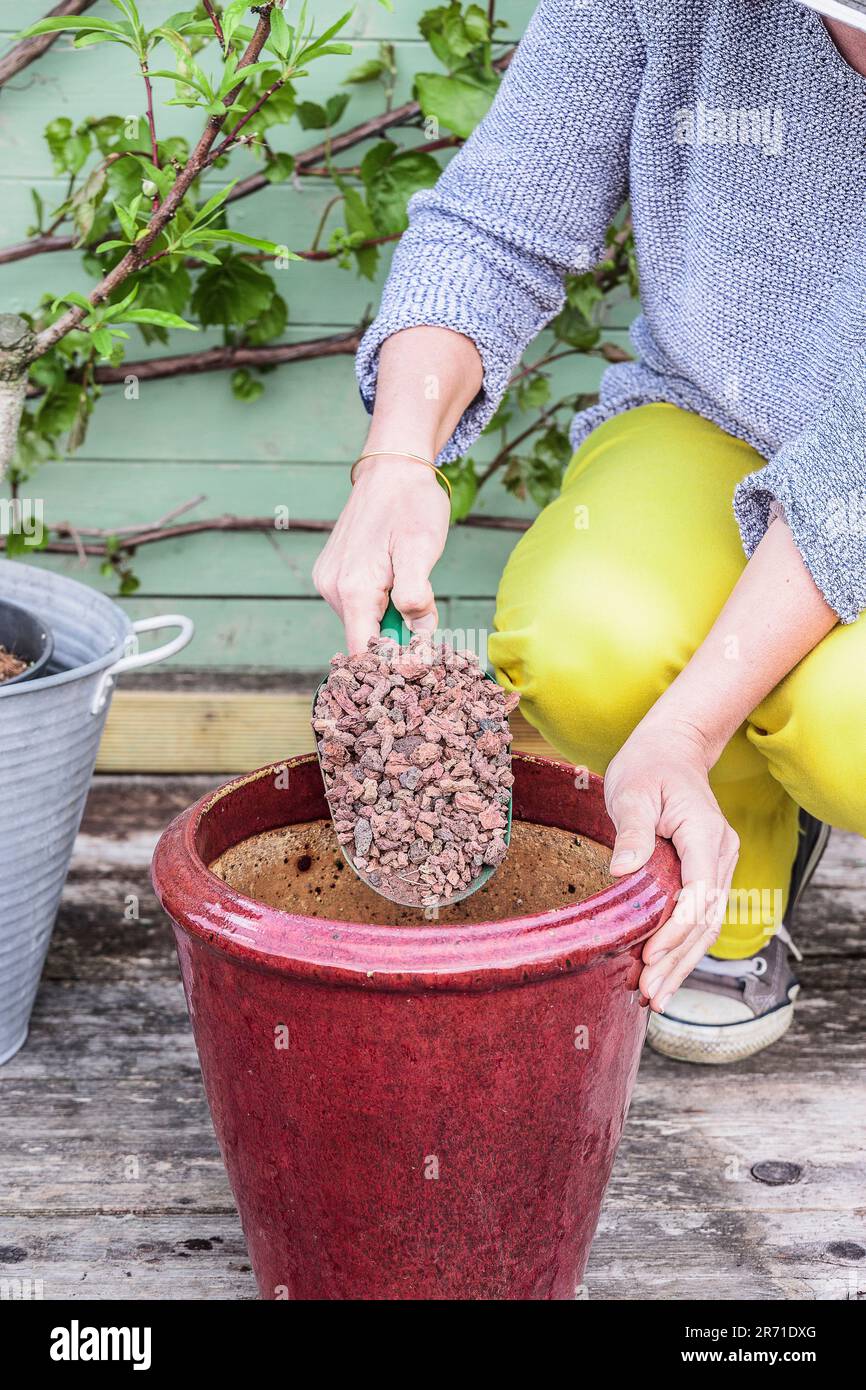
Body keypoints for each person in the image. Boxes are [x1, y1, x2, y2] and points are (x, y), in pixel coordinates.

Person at [313, 0, 866, 1063]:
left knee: (844, 723)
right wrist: (395, 458)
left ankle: (730, 759)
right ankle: (740, 875)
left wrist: (690, 724)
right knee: (584, 641)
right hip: (725, 408)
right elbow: (495, 218)